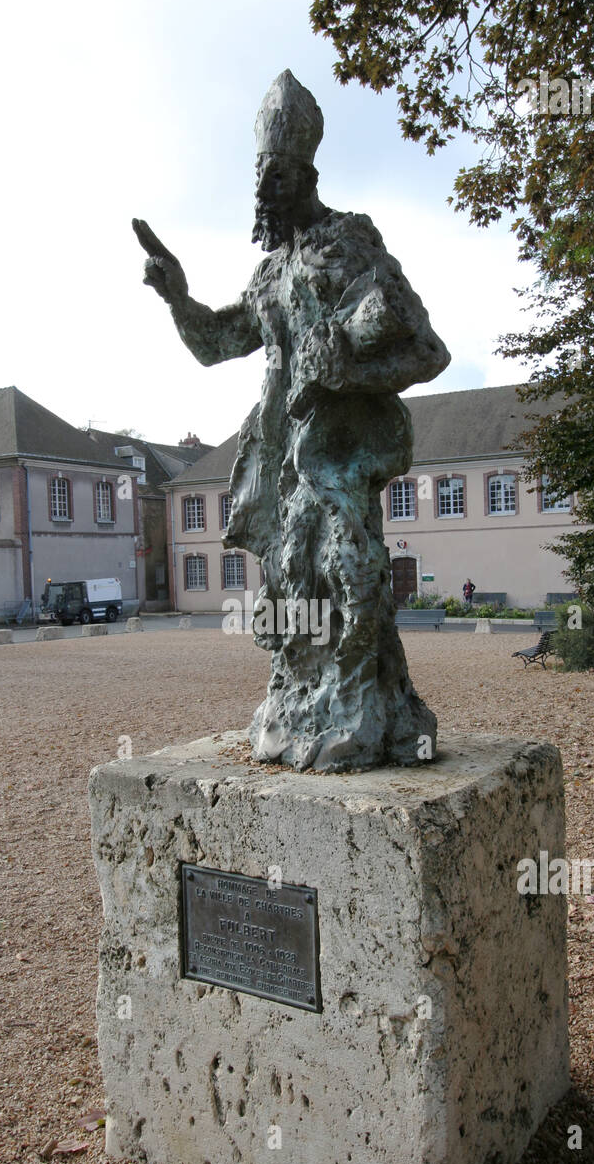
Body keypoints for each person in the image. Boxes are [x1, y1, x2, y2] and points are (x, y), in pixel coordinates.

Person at [133, 71, 450, 770]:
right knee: (290, 586)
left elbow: (428, 351)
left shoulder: (349, 243)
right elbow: (217, 344)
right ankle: (307, 700)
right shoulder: (270, 273)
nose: (263, 190)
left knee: (349, 570)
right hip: (281, 456)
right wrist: (177, 295)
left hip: (339, 449)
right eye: (258, 176)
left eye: (275, 174)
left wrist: (350, 374)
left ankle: (370, 710)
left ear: (305, 170)